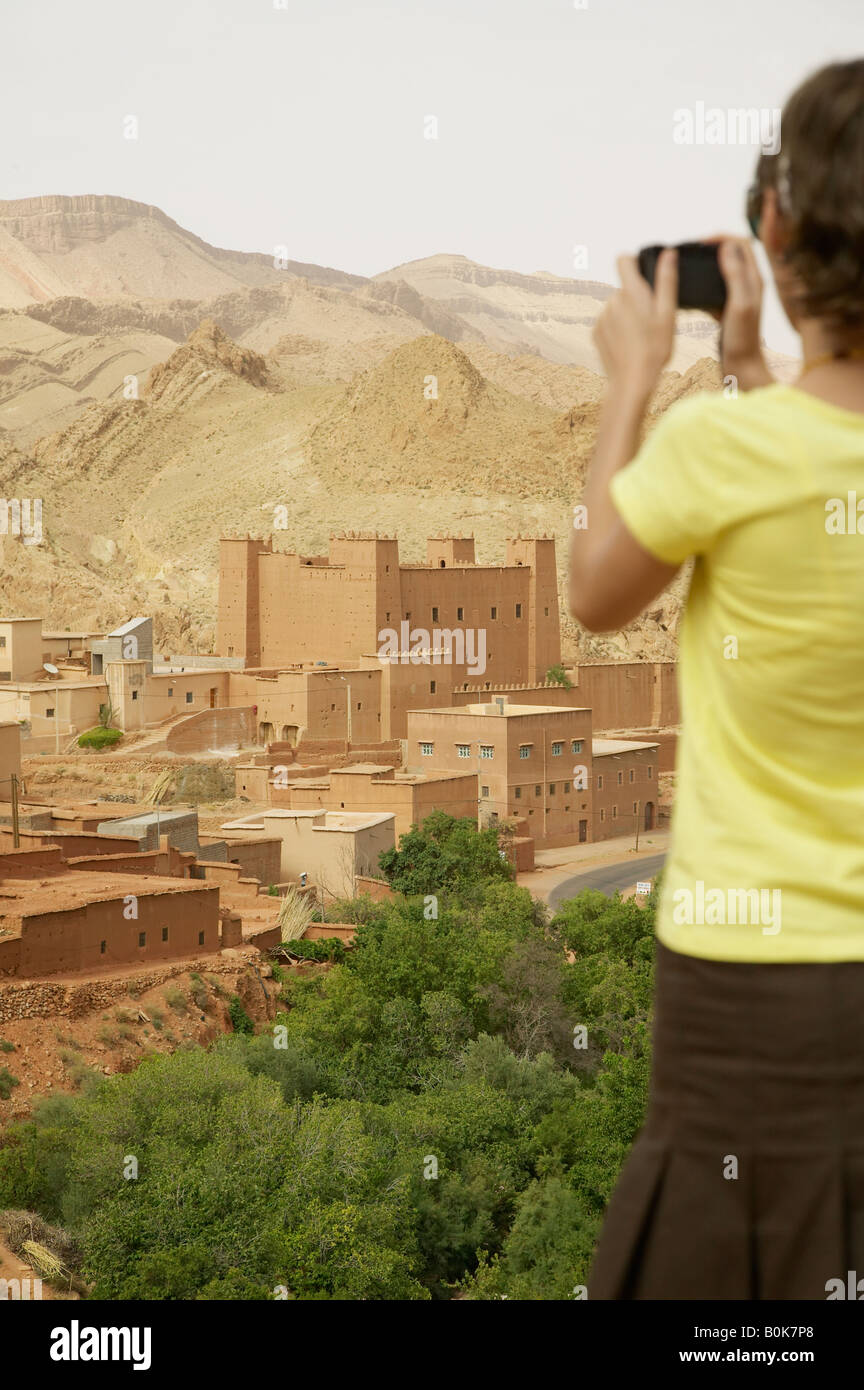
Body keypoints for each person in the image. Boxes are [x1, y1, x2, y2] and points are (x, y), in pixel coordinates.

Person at [570, 59, 864, 1300]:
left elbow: (594, 590)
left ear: (777, 231)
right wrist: (753, 365)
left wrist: (639, 379)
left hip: (751, 1004)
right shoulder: (752, 443)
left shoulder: (722, 447)